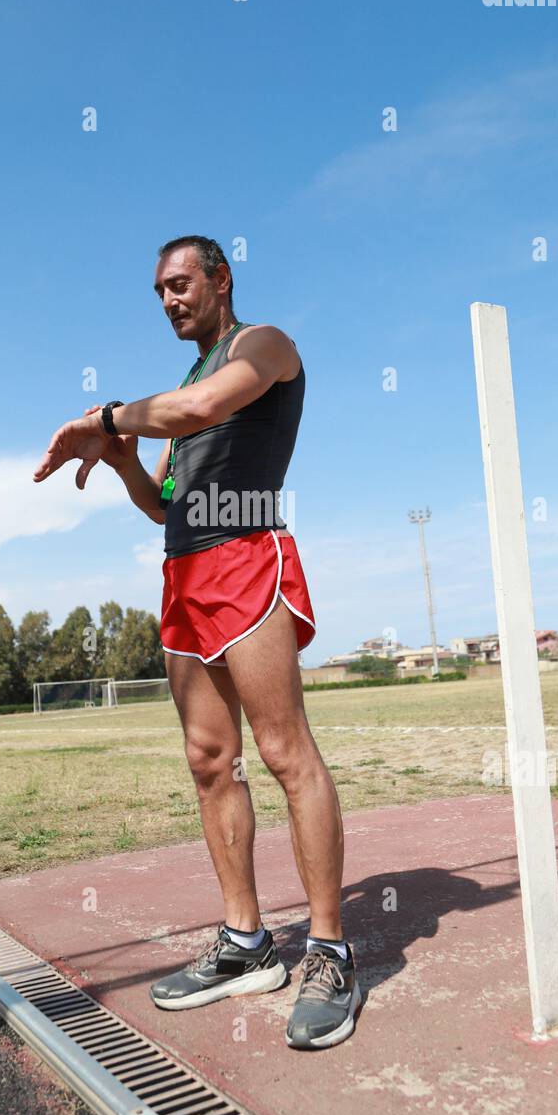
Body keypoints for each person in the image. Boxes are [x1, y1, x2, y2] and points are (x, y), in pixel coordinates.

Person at [33, 235, 361, 1049]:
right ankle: (248, 943)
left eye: (180, 284)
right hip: (185, 572)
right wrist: (118, 460)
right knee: (211, 762)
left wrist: (107, 416)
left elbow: (202, 410)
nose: (170, 299)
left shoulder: (264, 346)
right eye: (159, 292)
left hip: (247, 558)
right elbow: (165, 503)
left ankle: (330, 952)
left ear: (222, 278)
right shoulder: (184, 384)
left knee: (288, 755)